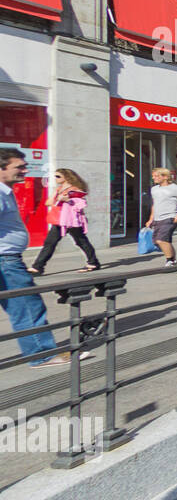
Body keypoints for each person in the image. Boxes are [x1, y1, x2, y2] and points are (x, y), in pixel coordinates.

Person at [0, 149, 89, 366]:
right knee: (27, 307)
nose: (25, 170)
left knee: (24, 307)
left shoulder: (6, 192)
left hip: (8, 260)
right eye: (18, 167)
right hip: (6, 262)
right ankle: (42, 355)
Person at [29, 168, 101, 274]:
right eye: (55, 176)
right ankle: (38, 267)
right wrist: (56, 195)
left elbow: (81, 204)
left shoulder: (75, 189)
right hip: (60, 220)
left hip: (72, 220)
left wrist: (68, 200)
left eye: (58, 176)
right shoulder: (58, 189)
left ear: (67, 177)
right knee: (50, 243)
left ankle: (93, 262)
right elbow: (48, 203)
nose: (56, 178)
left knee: (81, 241)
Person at [145, 167, 177, 268]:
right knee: (159, 241)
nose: (154, 178)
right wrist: (151, 218)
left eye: (156, 176)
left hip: (171, 217)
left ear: (165, 177)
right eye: (153, 176)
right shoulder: (154, 189)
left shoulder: (176, 188)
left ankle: (170, 260)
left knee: (161, 240)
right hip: (158, 218)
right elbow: (155, 204)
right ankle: (173, 260)